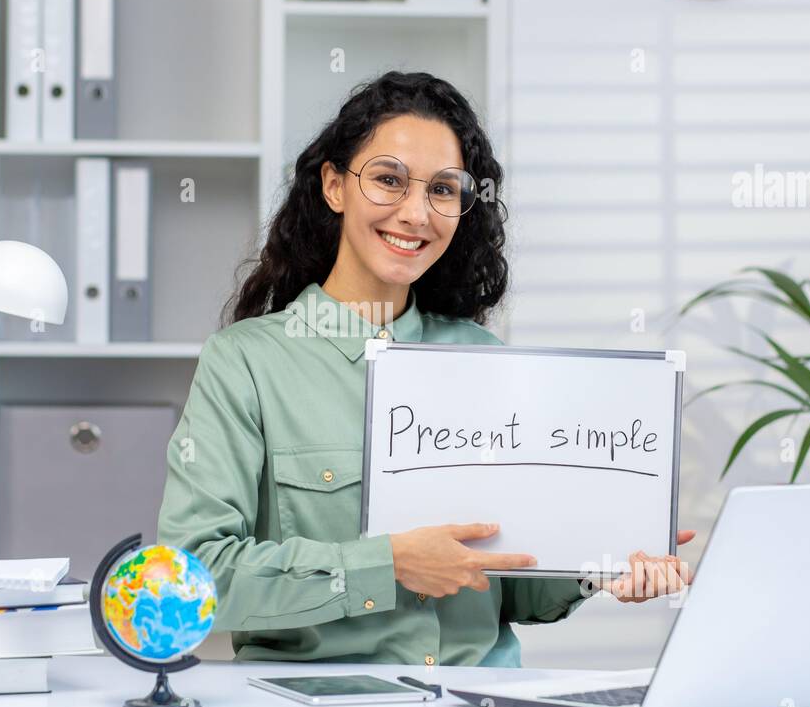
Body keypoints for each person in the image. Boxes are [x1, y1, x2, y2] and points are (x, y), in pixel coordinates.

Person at [156, 71, 691, 666]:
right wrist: (386, 566)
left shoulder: (484, 360)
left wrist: (600, 566)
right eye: (388, 180)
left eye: (443, 190)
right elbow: (194, 579)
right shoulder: (246, 364)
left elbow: (515, 589)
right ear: (335, 186)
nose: (416, 213)